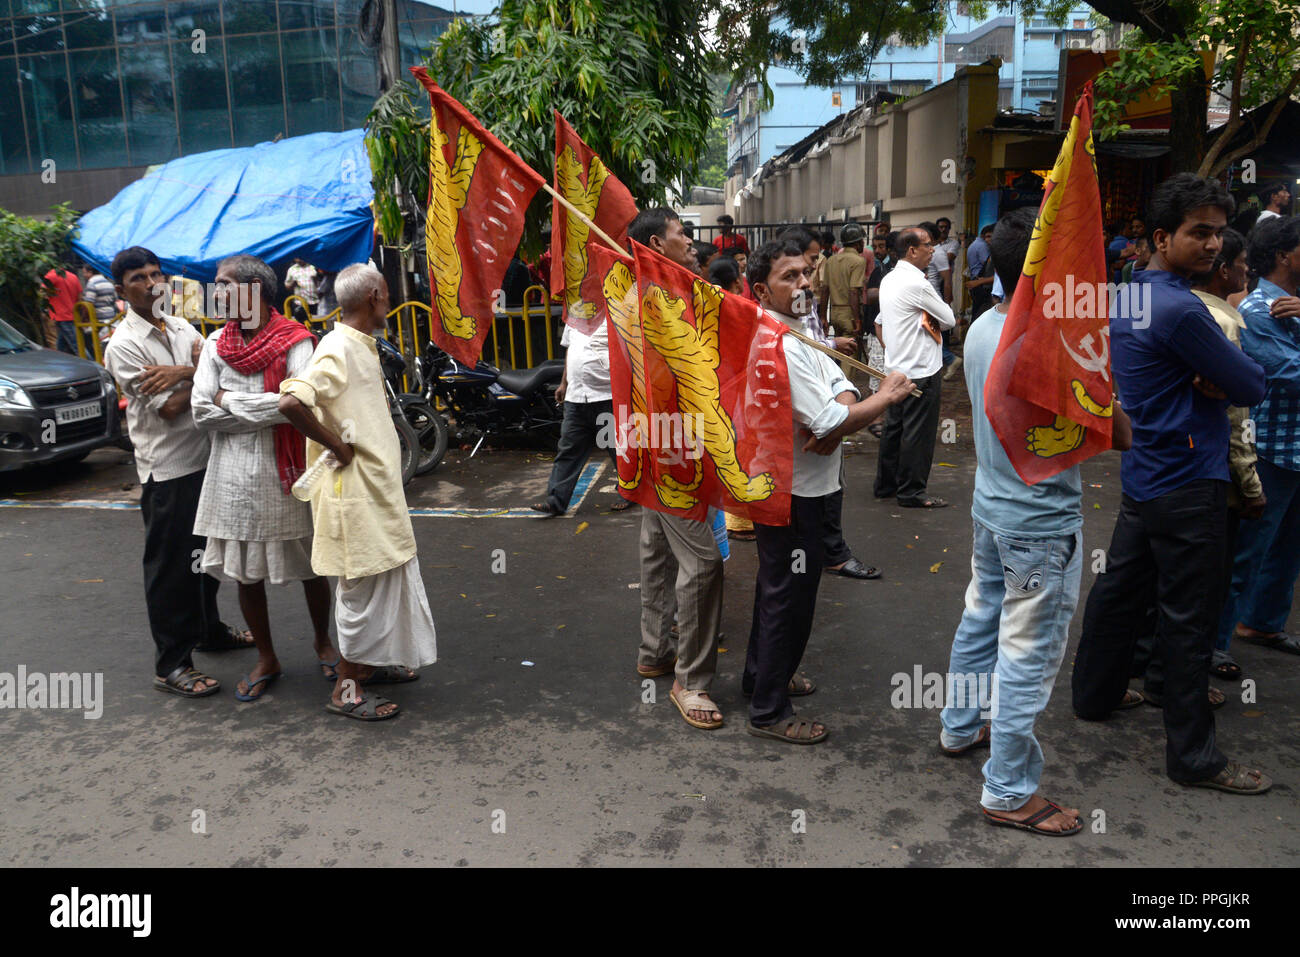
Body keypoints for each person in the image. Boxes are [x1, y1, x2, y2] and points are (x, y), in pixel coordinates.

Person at [1072, 173, 1271, 795]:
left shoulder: (1131, 292)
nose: (1213, 246)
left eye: (1217, 234)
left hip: (1148, 472)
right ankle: (1194, 757)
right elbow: (1252, 386)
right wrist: (1215, 377)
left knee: (1122, 590)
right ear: (1163, 236)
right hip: (1190, 478)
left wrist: (1205, 376)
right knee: (1187, 619)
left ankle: (1094, 696)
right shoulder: (1185, 309)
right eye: (1199, 233)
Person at [940, 208, 1132, 836]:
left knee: (980, 619)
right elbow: (1119, 434)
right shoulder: (1048, 346)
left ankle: (960, 726)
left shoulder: (979, 331)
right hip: (1040, 524)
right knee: (1027, 654)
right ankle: (1008, 791)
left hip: (992, 508)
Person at [744, 239, 913, 743]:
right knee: (789, 599)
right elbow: (831, 414)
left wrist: (845, 414)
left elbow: (841, 393)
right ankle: (769, 711)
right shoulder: (779, 341)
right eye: (788, 277)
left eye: (805, 273)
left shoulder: (800, 332)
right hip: (793, 491)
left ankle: (763, 676)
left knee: (781, 593)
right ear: (760, 290)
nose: (802, 284)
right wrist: (885, 396)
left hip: (805, 487)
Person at [278, 263, 437, 721]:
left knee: (384, 579)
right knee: (363, 590)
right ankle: (346, 689)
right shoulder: (338, 347)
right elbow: (291, 401)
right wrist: (337, 447)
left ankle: (366, 668)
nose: (388, 300)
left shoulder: (355, 345)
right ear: (376, 296)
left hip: (374, 492)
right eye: (387, 294)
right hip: (355, 494)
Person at [191, 254, 344, 703]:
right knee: (244, 575)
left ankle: (323, 643)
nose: (215, 293)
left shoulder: (297, 341)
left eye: (223, 285)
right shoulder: (217, 342)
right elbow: (201, 413)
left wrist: (227, 397)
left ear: (253, 291)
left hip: (289, 477)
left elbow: (297, 406)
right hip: (231, 480)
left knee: (312, 568)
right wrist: (268, 406)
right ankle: (267, 657)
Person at [103, 246, 251, 700]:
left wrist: (185, 370)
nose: (152, 285)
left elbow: (218, 367)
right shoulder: (123, 344)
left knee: (205, 559)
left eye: (156, 274)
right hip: (168, 471)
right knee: (171, 571)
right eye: (139, 279)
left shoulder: (181, 323)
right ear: (120, 290)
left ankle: (208, 631)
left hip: (206, 459)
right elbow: (168, 408)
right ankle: (172, 663)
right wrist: (199, 374)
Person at [625, 208, 726, 731]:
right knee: (704, 562)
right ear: (656, 247)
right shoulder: (655, 303)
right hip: (669, 449)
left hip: (652, 444)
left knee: (657, 551)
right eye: (680, 235)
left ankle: (654, 651)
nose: (689, 242)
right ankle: (692, 679)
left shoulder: (650, 295)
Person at [1220, 215, 1300, 660]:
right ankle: (1218, 643)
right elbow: (1291, 375)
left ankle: (1263, 624)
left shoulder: (1296, 303)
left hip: (1296, 448)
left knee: (1288, 550)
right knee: (1249, 552)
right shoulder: (1256, 312)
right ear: (1285, 256)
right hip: (1270, 447)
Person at [874, 226, 956, 508]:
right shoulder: (917, 284)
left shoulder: (890, 279)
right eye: (928, 245)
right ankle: (911, 492)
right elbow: (949, 319)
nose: (932, 249)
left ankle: (887, 485)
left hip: (896, 365)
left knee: (894, 428)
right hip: (921, 368)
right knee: (917, 433)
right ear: (912, 250)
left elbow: (882, 321)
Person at [530, 283, 624, 517]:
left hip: (607, 395)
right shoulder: (576, 312)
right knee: (568, 450)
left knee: (619, 450)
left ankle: (629, 493)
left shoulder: (616, 312)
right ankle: (556, 501)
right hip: (576, 397)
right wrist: (564, 383)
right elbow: (571, 351)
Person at [822, 222, 867, 340]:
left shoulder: (831, 260)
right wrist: (857, 320)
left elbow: (825, 290)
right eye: (862, 240)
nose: (863, 243)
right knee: (850, 354)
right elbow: (853, 292)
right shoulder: (858, 261)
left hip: (834, 314)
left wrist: (823, 317)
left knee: (839, 351)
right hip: (850, 314)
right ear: (857, 243)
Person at [45, 263, 84, 355]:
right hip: (73, 315)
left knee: (78, 347)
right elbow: (80, 297)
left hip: (60, 316)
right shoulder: (73, 276)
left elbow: (42, 293)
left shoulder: (51, 276)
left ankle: (92, 365)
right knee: (62, 346)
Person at [80, 261, 119, 344]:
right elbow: (115, 300)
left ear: (90, 272)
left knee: (96, 344)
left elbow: (88, 304)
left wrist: (83, 319)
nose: (83, 275)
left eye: (84, 272)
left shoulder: (92, 284)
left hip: (99, 321)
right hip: (112, 319)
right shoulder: (108, 283)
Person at [965, 224, 996, 319]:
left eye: (989, 236)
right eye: (986, 237)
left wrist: (979, 281)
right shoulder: (988, 249)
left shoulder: (1001, 253)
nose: (987, 240)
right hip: (984, 289)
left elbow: (1000, 277)